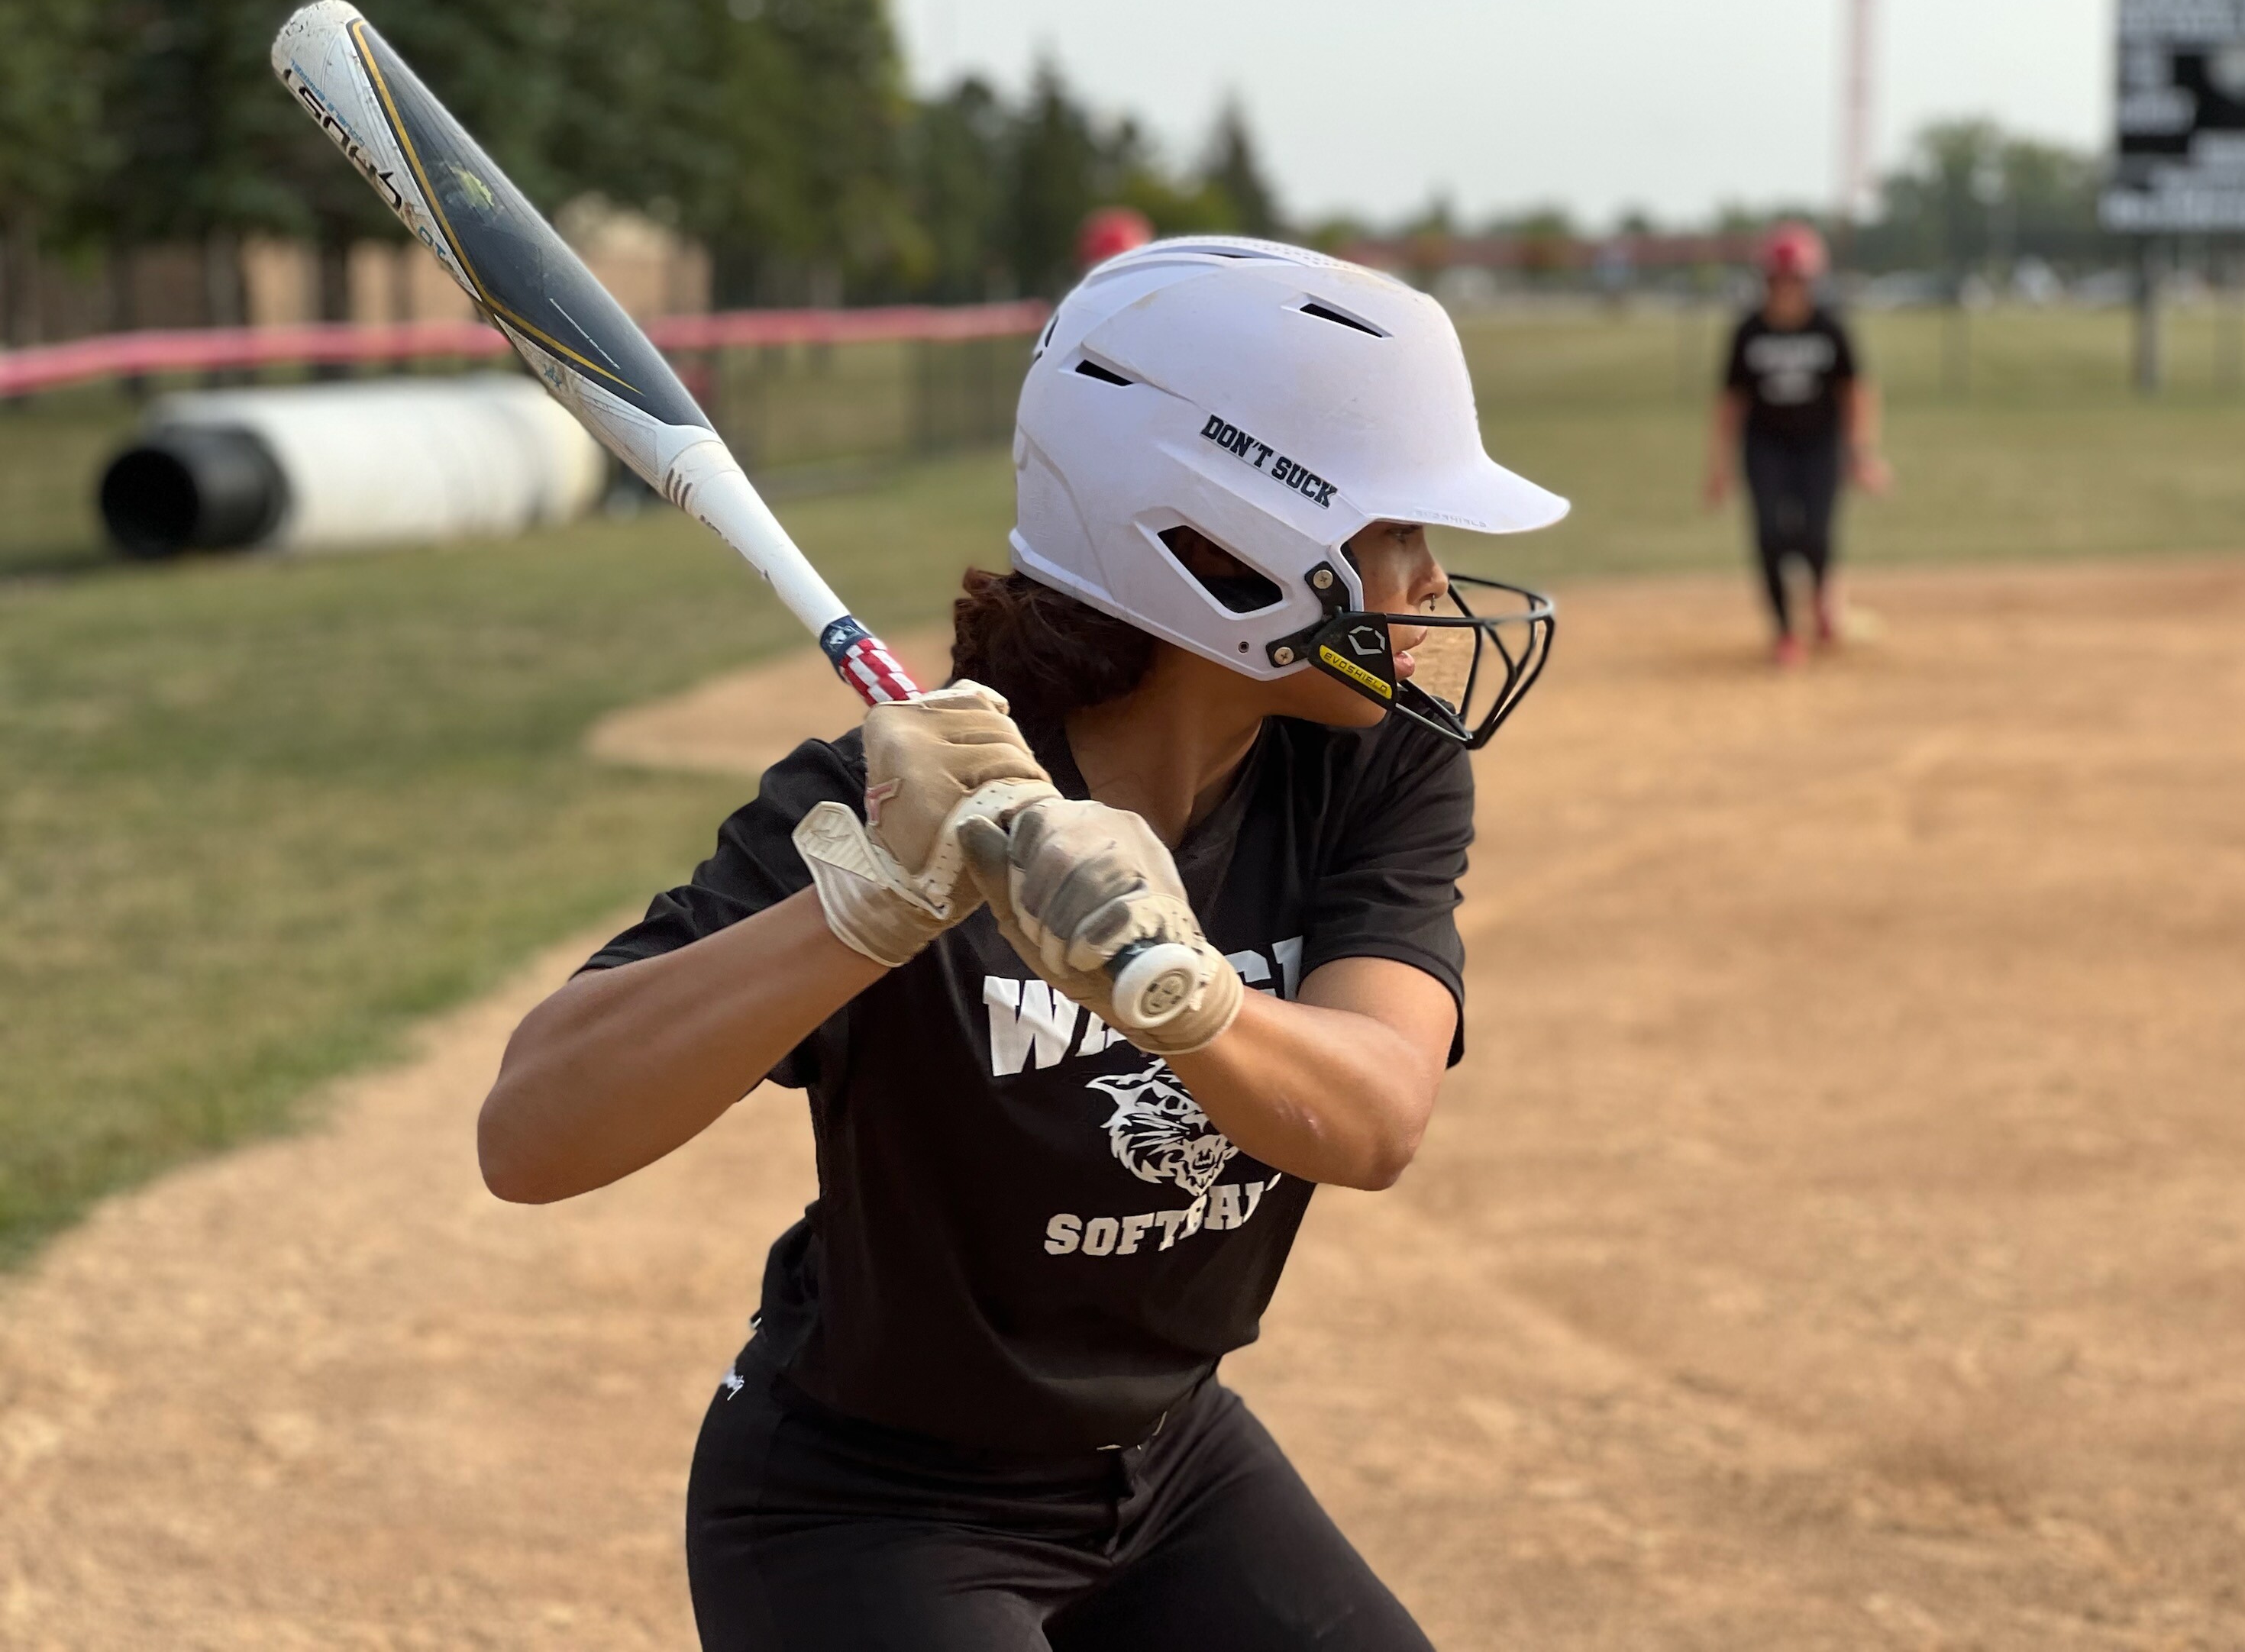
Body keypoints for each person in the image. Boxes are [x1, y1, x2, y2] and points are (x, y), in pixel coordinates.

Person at [479, 238, 1566, 1650]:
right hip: (867, 1507)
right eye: (1391, 534)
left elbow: (1371, 1118)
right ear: (1219, 544)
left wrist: (1177, 993)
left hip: (1172, 1463)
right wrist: (862, 912)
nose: (1429, 585)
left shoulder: (1372, 768)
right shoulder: (896, 805)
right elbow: (530, 1134)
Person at [1702, 222, 1892, 666]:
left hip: (1819, 446)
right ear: (1766, 280)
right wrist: (1719, 467)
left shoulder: (1829, 328)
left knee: (1815, 536)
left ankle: (1825, 608)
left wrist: (1861, 454)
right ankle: (1786, 633)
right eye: (1779, 279)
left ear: (1812, 281)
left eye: (1797, 279)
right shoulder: (1749, 332)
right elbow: (1731, 402)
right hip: (1765, 445)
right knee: (1770, 534)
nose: (1787, 288)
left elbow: (1856, 393)